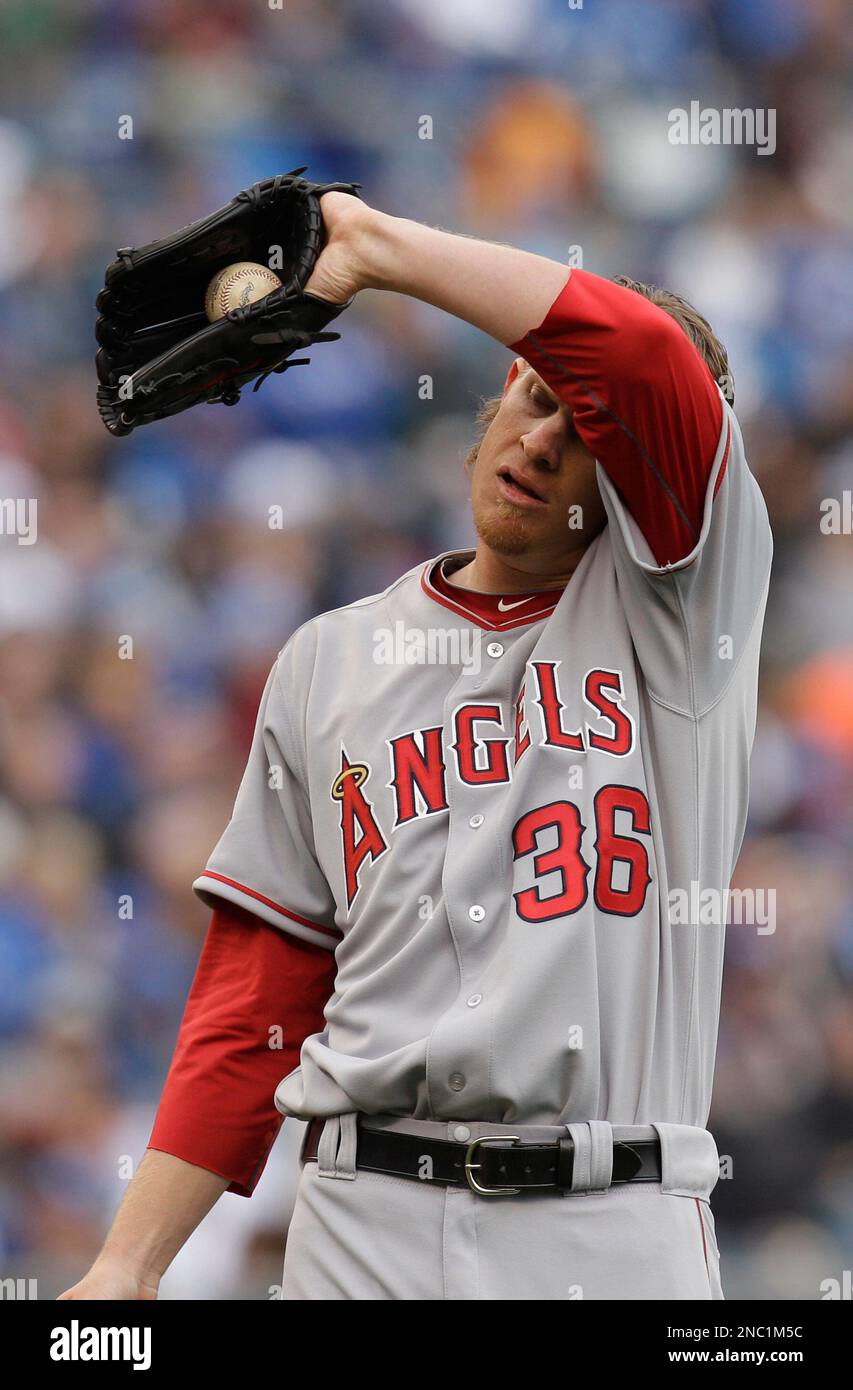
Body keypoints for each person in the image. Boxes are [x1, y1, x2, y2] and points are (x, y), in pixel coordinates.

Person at [60, 189, 772, 1301]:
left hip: (609, 1224)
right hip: (360, 1222)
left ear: (640, 479)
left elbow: (635, 358)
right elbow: (258, 999)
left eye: (585, 437)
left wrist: (375, 248)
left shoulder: (683, 615)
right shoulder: (327, 660)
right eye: (534, 402)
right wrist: (127, 1266)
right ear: (494, 397)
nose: (541, 444)